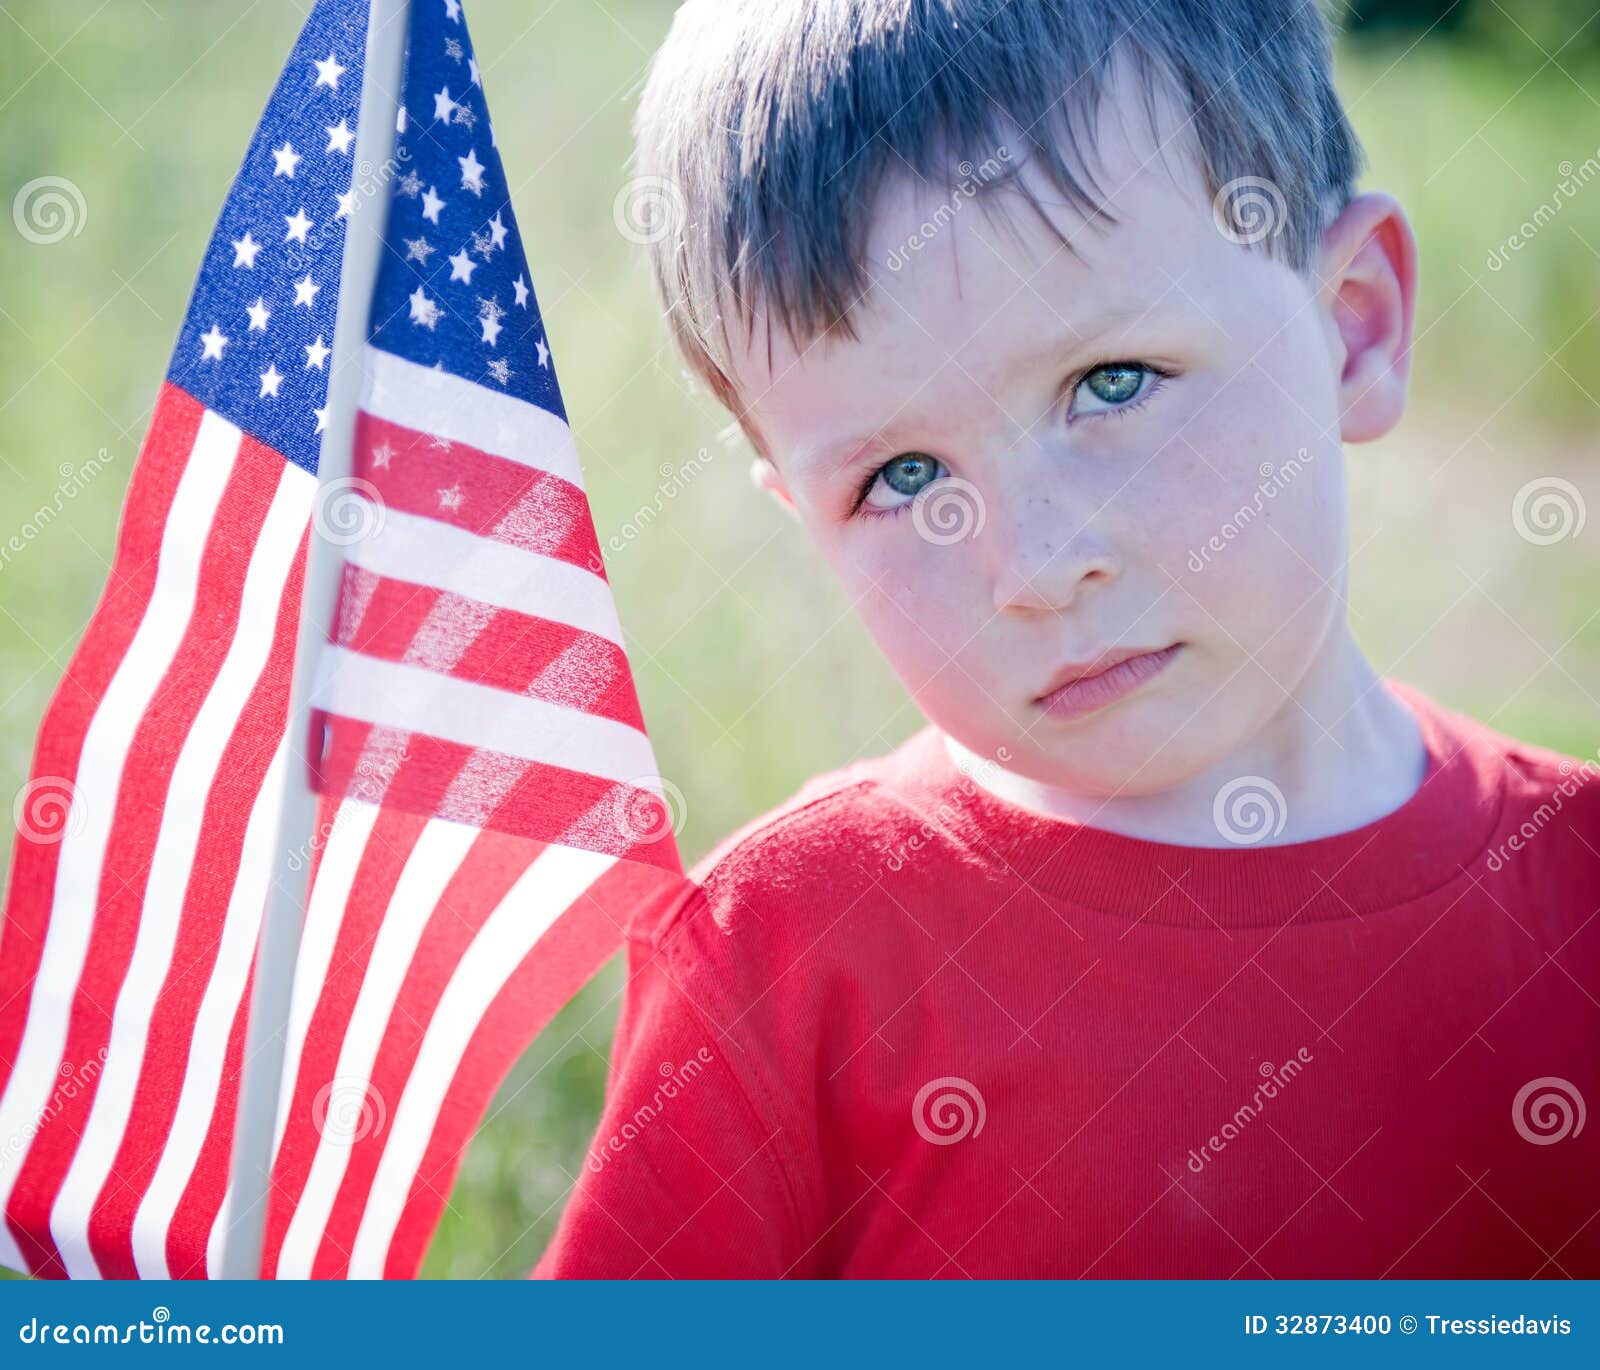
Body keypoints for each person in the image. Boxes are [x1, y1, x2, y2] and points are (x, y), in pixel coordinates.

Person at [533, 0, 1600, 1278]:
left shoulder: (1570, 894)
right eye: (901, 474)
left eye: (1112, 383)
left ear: (1353, 320)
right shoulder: (785, 960)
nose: (1033, 567)